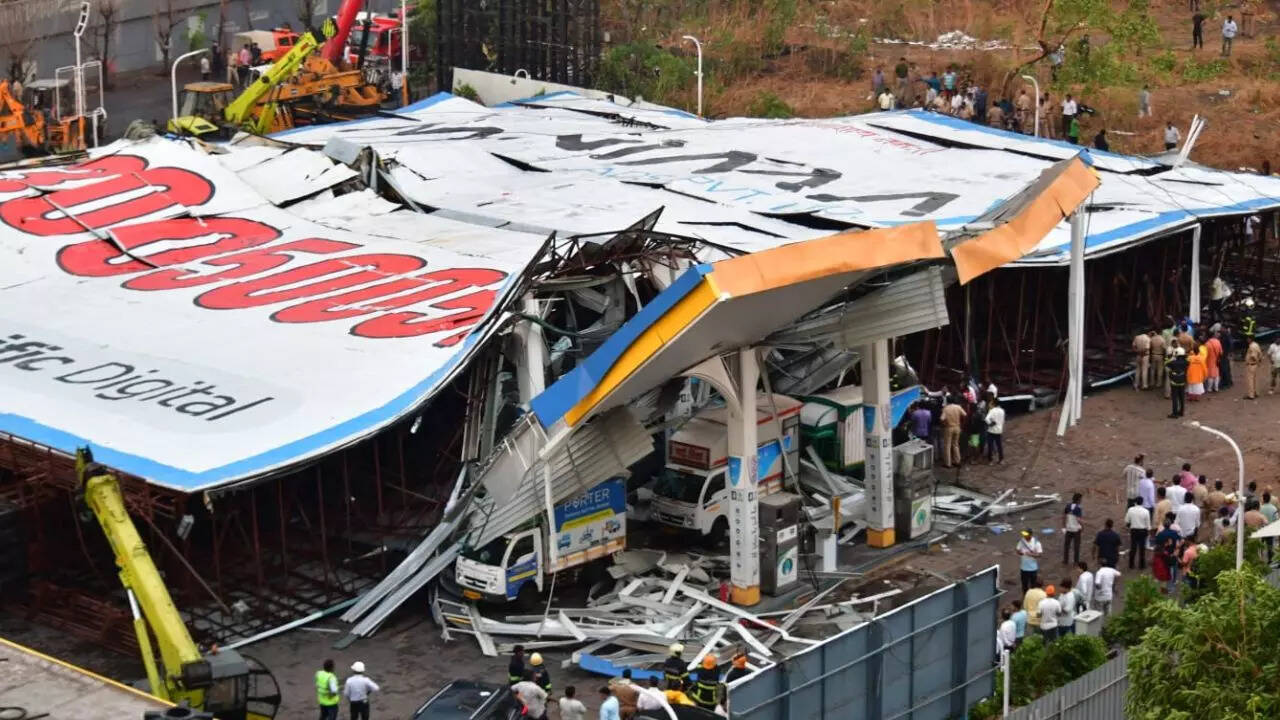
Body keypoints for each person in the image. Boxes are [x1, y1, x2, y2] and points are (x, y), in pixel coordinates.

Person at [1154, 517, 1181, 595]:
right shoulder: (1174, 533)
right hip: (1172, 554)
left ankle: (1163, 589)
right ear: (1170, 525)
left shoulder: (1160, 534)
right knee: (1173, 569)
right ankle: (1172, 586)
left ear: (1163, 525)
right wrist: (1177, 549)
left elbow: (1156, 544)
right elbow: (1180, 541)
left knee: (1164, 571)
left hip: (1163, 555)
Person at [940, 395, 966, 469]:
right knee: (955, 444)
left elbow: (942, 419)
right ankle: (957, 461)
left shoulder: (946, 408)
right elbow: (965, 415)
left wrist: (944, 425)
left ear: (947, 401)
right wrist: (961, 423)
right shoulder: (958, 407)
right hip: (957, 427)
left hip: (948, 427)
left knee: (947, 445)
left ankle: (948, 463)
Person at [1125, 497, 1151, 569]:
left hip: (1134, 530)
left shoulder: (1130, 510)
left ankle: (1131, 564)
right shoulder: (1146, 511)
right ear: (1142, 502)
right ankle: (1141, 565)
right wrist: (1148, 532)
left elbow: (1127, 521)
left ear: (1135, 502)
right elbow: (1148, 524)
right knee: (1142, 549)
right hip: (1143, 531)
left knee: (1133, 547)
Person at [1016, 529, 1042, 594]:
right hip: (1023, 568)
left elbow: (1039, 554)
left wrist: (1031, 554)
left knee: (1033, 585)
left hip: (1033, 568)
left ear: (1030, 535)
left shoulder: (1036, 543)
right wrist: (1020, 552)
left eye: (1026, 535)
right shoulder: (1021, 541)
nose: (1024, 536)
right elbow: (1017, 550)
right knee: (1024, 585)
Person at [1062, 493, 1084, 565]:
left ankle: (1065, 561)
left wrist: (1063, 526)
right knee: (1076, 546)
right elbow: (1079, 519)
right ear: (1078, 500)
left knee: (1066, 546)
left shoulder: (1068, 506)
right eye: (1080, 499)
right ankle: (1076, 562)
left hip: (1068, 529)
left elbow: (1064, 516)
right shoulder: (1078, 508)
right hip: (1076, 530)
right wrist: (1083, 526)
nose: (1081, 500)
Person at [1166, 346, 1188, 417]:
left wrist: (1172, 357)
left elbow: (1166, 364)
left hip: (1174, 382)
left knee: (1175, 398)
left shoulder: (1172, 362)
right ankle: (1181, 412)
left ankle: (1174, 413)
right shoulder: (1186, 362)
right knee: (1182, 397)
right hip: (1182, 381)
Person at [985, 397, 1005, 463]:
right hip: (999, 430)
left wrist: (990, 424)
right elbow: (1002, 421)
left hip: (991, 430)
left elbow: (986, 419)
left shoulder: (992, 410)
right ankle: (1001, 459)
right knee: (999, 445)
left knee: (990, 445)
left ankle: (990, 460)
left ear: (994, 403)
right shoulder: (1002, 411)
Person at [1245, 333, 1263, 399]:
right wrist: (1259, 361)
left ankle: (1251, 395)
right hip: (1256, 365)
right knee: (1256, 380)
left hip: (1251, 365)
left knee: (1250, 381)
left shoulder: (1251, 346)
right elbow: (1260, 354)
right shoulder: (1256, 344)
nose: (1247, 340)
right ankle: (1256, 393)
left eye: (1247, 338)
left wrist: (1255, 361)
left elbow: (1253, 356)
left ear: (1250, 339)